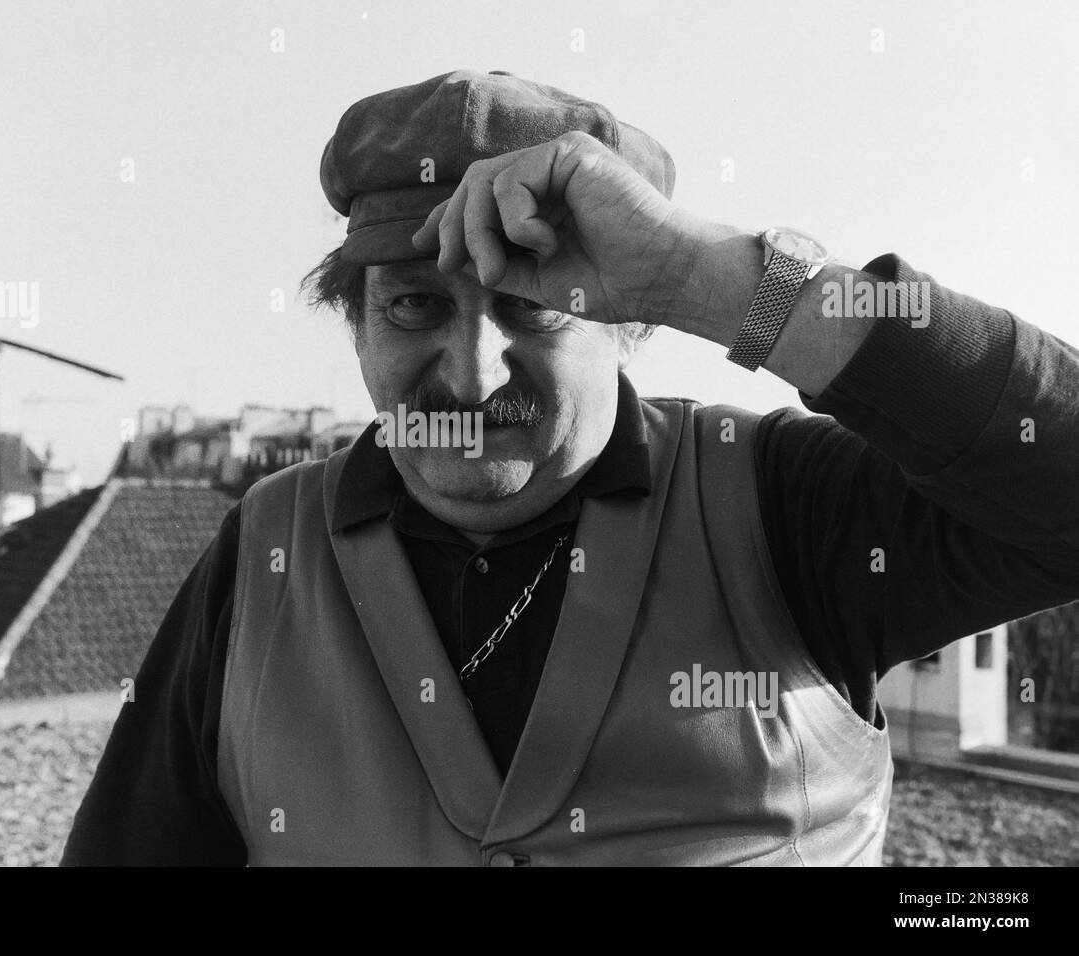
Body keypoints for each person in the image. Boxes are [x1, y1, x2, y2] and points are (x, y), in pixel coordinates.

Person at [62, 69, 1079, 866]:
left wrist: (711, 277)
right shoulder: (262, 553)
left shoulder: (781, 505)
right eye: (413, 304)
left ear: (634, 320)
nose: (468, 373)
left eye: (532, 304)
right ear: (354, 320)